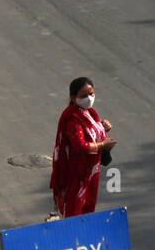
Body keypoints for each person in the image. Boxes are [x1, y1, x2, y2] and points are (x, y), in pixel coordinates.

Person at [49, 77, 116, 219]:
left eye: (91, 94)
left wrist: (103, 128)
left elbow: (91, 132)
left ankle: (84, 237)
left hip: (90, 172)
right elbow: (80, 146)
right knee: (75, 211)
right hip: (76, 174)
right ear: (74, 98)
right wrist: (103, 145)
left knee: (88, 208)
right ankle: (72, 238)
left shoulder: (90, 112)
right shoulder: (73, 118)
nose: (89, 98)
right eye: (84, 96)